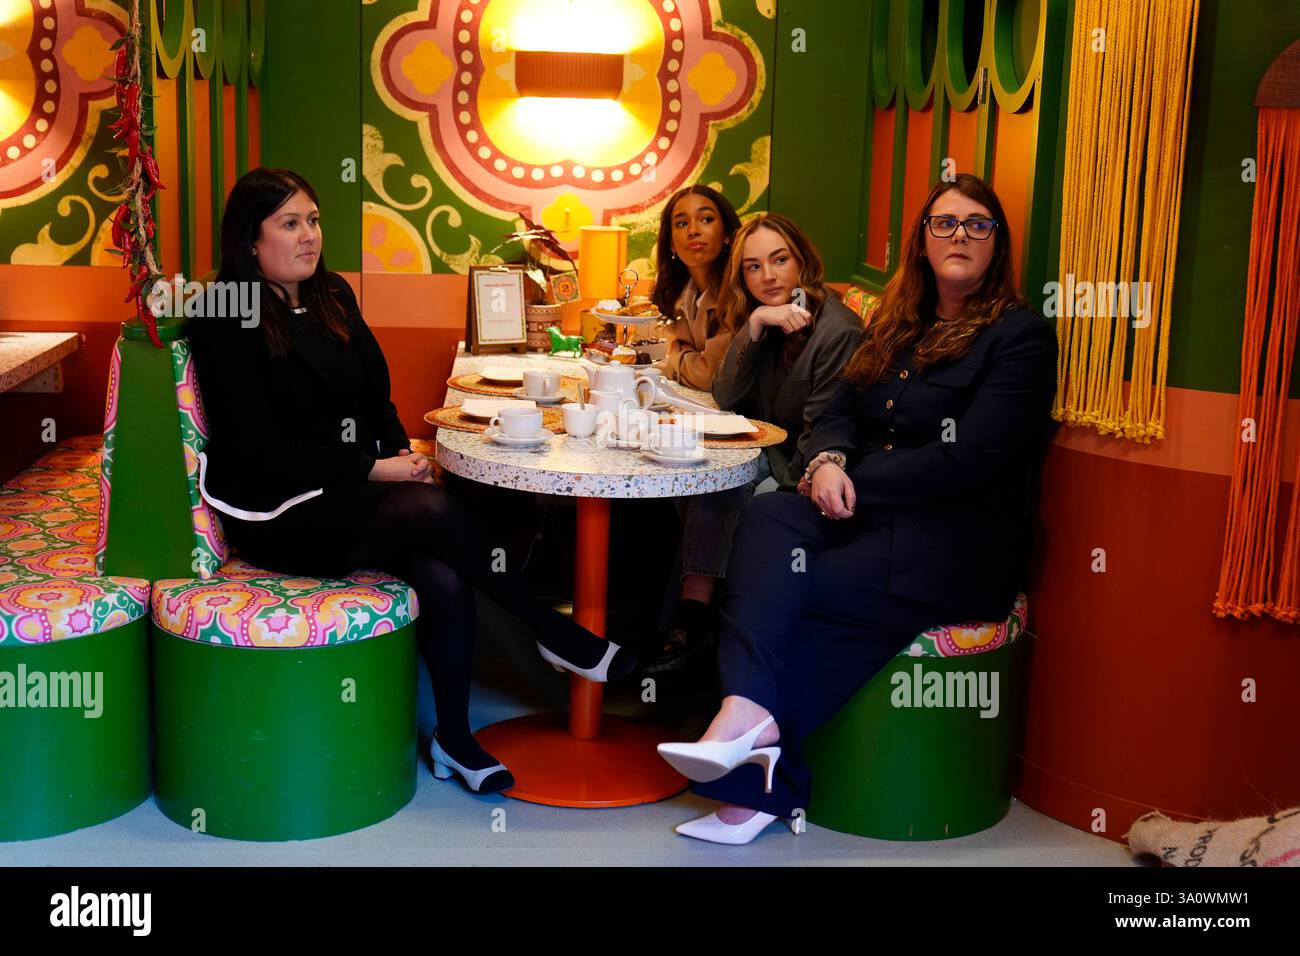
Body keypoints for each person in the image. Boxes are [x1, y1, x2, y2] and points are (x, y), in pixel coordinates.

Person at [188, 168, 635, 797]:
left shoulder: (329, 294)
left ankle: (454, 737)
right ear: (250, 241)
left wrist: (400, 450)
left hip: (344, 491)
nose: (309, 237)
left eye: (313, 220)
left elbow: (374, 393)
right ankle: (552, 631)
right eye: (289, 224)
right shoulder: (224, 314)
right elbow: (260, 453)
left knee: (441, 565)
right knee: (428, 511)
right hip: (276, 510)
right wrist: (376, 469)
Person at [656, 173, 1060, 844]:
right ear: (922, 243)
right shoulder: (900, 322)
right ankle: (746, 714)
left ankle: (753, 779)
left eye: (977, 224)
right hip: (867, 511)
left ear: (997, 244)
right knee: (765, 519)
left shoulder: (1020, 337)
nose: (959, 235)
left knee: (799, 589)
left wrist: (857, 480)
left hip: (954, 541)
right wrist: (829, 460)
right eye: (944, 223)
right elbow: (840, 407)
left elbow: (974, 459)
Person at [644, 214, 864, 675]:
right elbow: (727, 393)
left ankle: (687, 631)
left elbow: (826, 429)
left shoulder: (837, 331)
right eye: (753, 267)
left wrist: (768, 477)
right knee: (701, 473)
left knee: (724, 487)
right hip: (771, 451)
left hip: (808, 468)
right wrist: (757, 323)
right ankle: (683, 628)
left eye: (779, 260)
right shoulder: (768, 315)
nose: (768, 276)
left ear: (803, 261)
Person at [654, 185, 742, 390]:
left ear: (727, 234)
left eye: (706, 220)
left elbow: (709, 375)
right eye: (682, 223)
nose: (693, 231)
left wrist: (671, 361)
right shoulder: (682, 294)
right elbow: (670, 345)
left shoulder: (739, 293)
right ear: (672, 245)